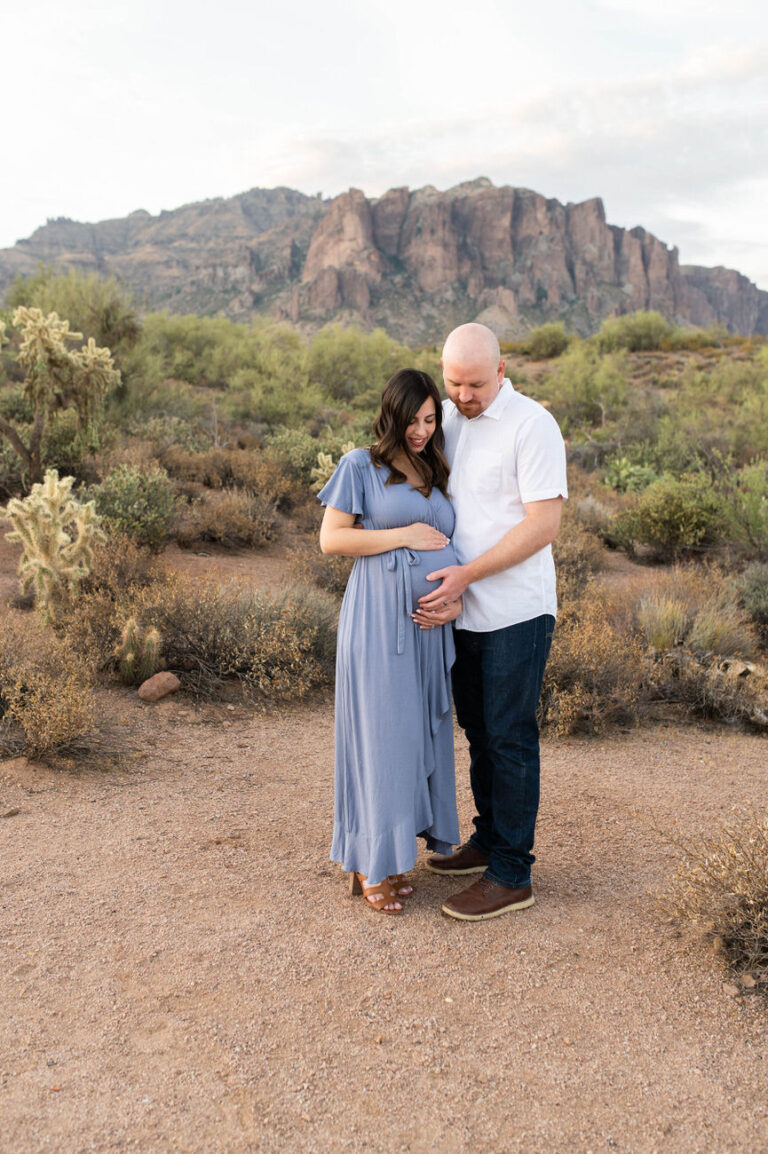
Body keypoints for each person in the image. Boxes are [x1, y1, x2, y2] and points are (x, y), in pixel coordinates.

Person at [414, 322, 567, 921]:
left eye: (475, 384)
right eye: (454, 382)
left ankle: (511, 873)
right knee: (478, 731)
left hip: (516, 611)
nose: (463, 395)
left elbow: (542, 524)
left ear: (501, 371)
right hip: (464, 612)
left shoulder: (533, 425)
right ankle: (486, 840)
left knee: (509, 736)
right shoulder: (448, 421)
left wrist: (467, 575)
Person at [318, 368, 461, 914]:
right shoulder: (361, 465)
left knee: (413, 740)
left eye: (430, 419)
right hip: (379, 623)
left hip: (428, 631)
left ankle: (396, 856)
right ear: (391, 416)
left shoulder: (434, 469)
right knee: (381, 737)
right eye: (412, 420)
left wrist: (456, 599)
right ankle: (369, 862)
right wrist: (403, 536)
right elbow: (332, 539)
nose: (422, 430)